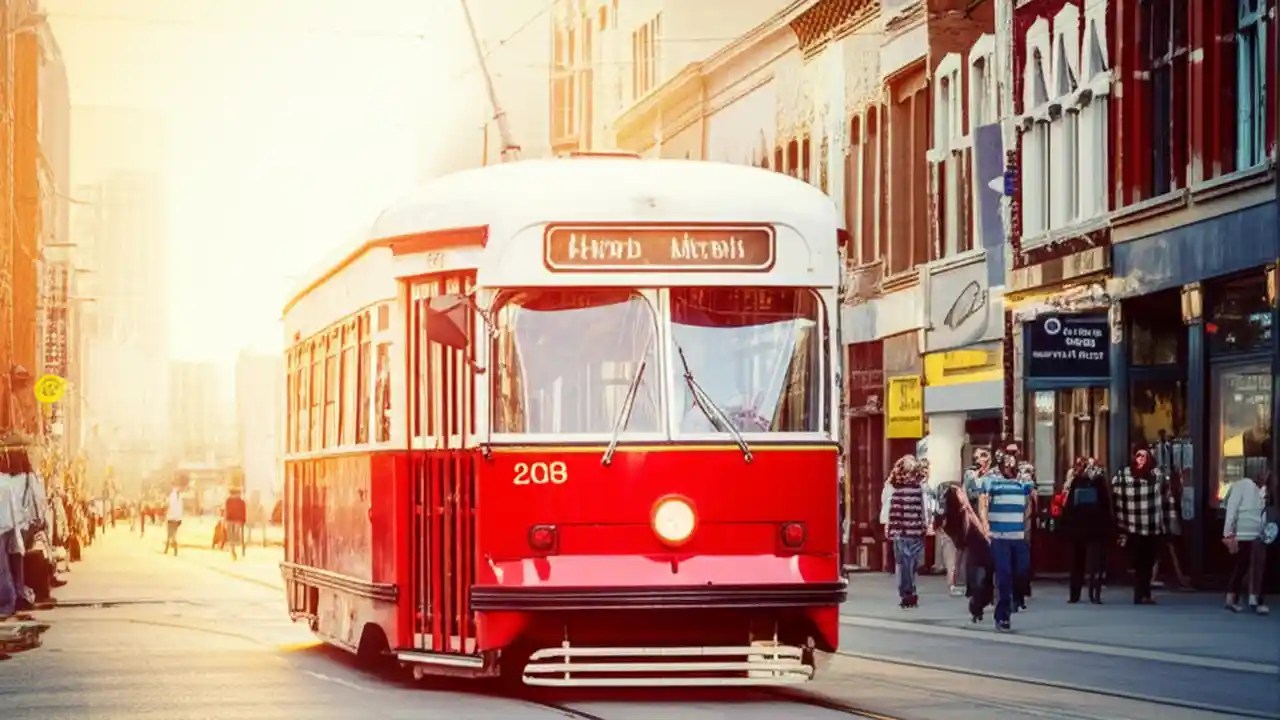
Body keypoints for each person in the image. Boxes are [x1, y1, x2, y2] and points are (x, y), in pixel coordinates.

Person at [1110, 443, 1177, 605]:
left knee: (1148, 561)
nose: (1140, 459)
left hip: (1152, 526)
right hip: (1131, 526)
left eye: (1144, 456)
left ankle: (1143, 592)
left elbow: (1167, 498)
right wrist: (1118, 523)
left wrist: (1170, 524)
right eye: (1138, 456)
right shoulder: (1123, 474)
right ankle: (1141, 593)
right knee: (1138, 561)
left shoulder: (1157, 475)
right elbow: (1116, 497)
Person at [980, 447, 1033, 632]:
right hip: (999, 536)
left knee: (1021, 571)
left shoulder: (1024, 480)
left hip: (1018, 535)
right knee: (1004, 576)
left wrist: (1026, 526)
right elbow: (983, 502)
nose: (1010, 466)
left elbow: (1029, 504)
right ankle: (1002, 616)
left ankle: (1015, 600)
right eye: (1007, 463)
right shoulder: (992, 480)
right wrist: (985, 526)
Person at [938, 482, 994, 622]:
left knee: (985, 577)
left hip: (980, 548)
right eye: (959, 494)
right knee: (977, 580)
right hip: (973, 551)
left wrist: (986, 535)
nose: (963, 496)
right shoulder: (956, 518)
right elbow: (959, 543)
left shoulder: (966, 512)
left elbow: (978, 525)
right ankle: (977, 608)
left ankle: (980, 604)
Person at [879, 455, 930, 609]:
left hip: (902, 531)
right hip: (913, 531)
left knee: (903, 564)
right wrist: (925, 525)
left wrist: (888, 526)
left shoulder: (894, 487)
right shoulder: (919, 488)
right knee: (910, 564)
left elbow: (889, 508)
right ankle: (909, 592)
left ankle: (906, 593)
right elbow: (924, 508)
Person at [1061, 457, 1112, 604]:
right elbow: (1105, 506)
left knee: (1082, 562)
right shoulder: (1096, 482)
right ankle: (1090, 594)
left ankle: (1079, 594)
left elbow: (1069, 506)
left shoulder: (1083, 482)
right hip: (1090, 528)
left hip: (1085, 528)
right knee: (1090, 563)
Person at [1223, 472, 1270, 615]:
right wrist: (1228, 533)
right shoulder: (1244, 487)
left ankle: (1238, 599)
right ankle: (1238, 599)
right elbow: (1232, 510)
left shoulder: (1256, 490)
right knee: (1245, 567)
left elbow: (1232, 509)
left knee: (1244, 567)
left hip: (1250, 533)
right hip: (1246, 534)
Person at [224, 488, 247, 560]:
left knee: (231, 535)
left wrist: (226, 520)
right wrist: (243, 520)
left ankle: (232, 547)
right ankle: (240, 548)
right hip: (238, 520)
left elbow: (226, 511)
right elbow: (244, 512)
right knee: (237, 534)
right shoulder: (242, 501)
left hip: (230, 520)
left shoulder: (228, 501)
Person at [163, 484, 184, 556]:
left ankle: (166, 549)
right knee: (174, 534)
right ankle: (175, 550)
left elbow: (167, 505)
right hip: (177, 518)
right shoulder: (180, 498)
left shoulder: (171, 496)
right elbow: (181, 509)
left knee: (169, 534)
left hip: (170, 517)